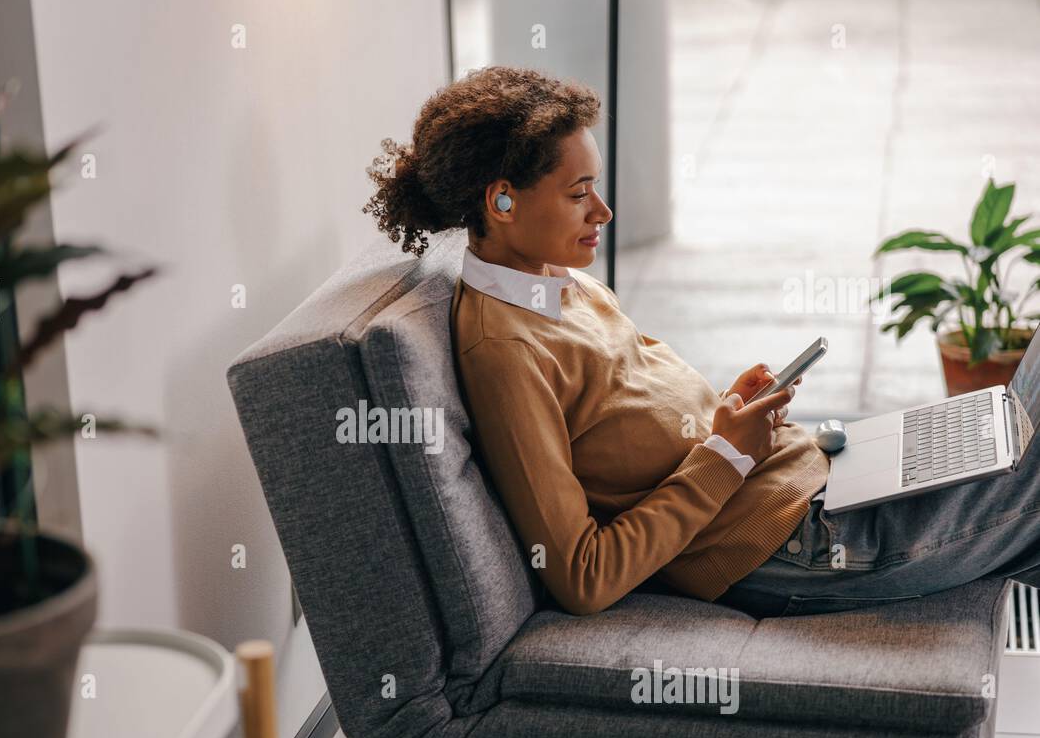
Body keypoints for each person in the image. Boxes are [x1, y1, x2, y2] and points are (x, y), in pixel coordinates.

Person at [362, 65, 1040, 619]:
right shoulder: (506, 353)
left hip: (818, 477)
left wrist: (728, 415)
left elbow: (636, 424)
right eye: (579, 193)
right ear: (502, 203)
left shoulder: (562, 285)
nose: (604, 211)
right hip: (798, 547)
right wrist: (725, 454)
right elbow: (582, 577)